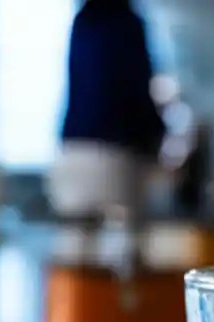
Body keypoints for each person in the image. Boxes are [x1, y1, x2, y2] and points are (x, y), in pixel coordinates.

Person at [50, 0, 164, 275]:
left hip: (73, 147)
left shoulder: (83, 20)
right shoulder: (127, 23)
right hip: (115, 150)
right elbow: (135, 86)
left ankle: (74, 303)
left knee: (75, 247)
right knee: (122, 248)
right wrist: (155, 134)